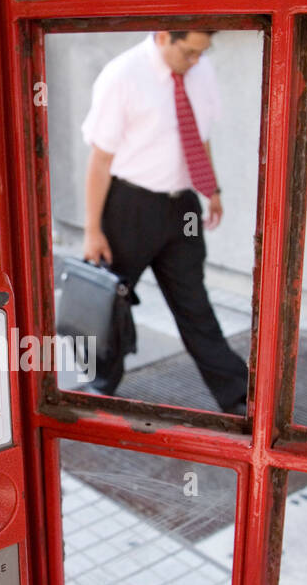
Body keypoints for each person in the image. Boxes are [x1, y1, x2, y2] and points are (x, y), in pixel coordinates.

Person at [80, 29, 248, 415]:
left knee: (195, 303)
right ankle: (101, 387)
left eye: (201, 54)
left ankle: (238, 395)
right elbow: (100, 160)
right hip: (130, 207)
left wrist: (211, 187)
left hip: (182, 207)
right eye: (188, 52)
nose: (195, 61)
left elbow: (199, 134)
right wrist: (92, 229)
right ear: (162, 37)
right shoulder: (122, 75)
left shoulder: (201, 69)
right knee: (111, 304)